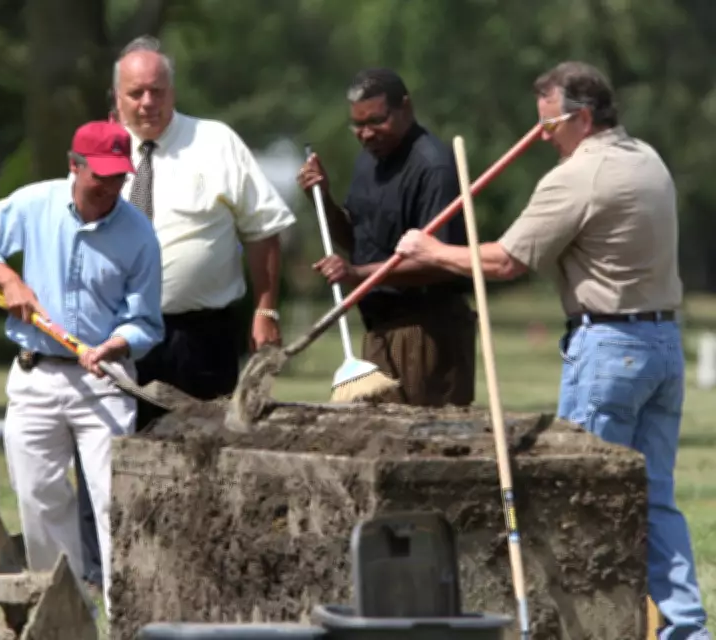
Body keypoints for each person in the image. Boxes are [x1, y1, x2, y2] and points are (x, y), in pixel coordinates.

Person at [394, 61, 710, 640]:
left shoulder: (580, 176)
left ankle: (587, 629)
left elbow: (505, 261)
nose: (542, 137)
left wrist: (429, 250)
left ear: (582, 118)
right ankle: (686, 631)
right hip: (663, 346)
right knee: (655, 499)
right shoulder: (648, 158)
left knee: (581, 496)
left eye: (548, 125)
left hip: (609, 350)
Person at [0, 120, 164, 618]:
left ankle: (127, 618)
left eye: (120, 176)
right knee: (38, 497)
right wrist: (8, 279)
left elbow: (145, 321)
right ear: (75, 166)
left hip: (106, 381)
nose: (111, 187)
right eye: (101, 176)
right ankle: (67, 617)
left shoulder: (139, 234)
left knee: (114, 501)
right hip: (35, 374)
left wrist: (115, 344)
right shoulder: (34, 203)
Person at [112, 34, 296, 426]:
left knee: (206, 445)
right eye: (136, 93)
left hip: (200, 337)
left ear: (173, 92)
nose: (148, 102)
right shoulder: (100, 151)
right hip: (118, 333)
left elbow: (263, 229)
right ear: (117, 97)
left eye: (157, 91)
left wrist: (265, 309)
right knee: (121, 446)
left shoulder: (216, 142)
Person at [297, 67, 476, 407]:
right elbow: (358, 243)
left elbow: (442, 263)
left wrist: (358, 275)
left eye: (376, 121)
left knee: (424, 436)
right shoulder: (369, 161)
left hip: (426, 332)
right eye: (357, 125)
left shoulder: (432, 167)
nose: (366, 134)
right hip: (379, 329)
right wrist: (323, 200)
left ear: (405, 108)